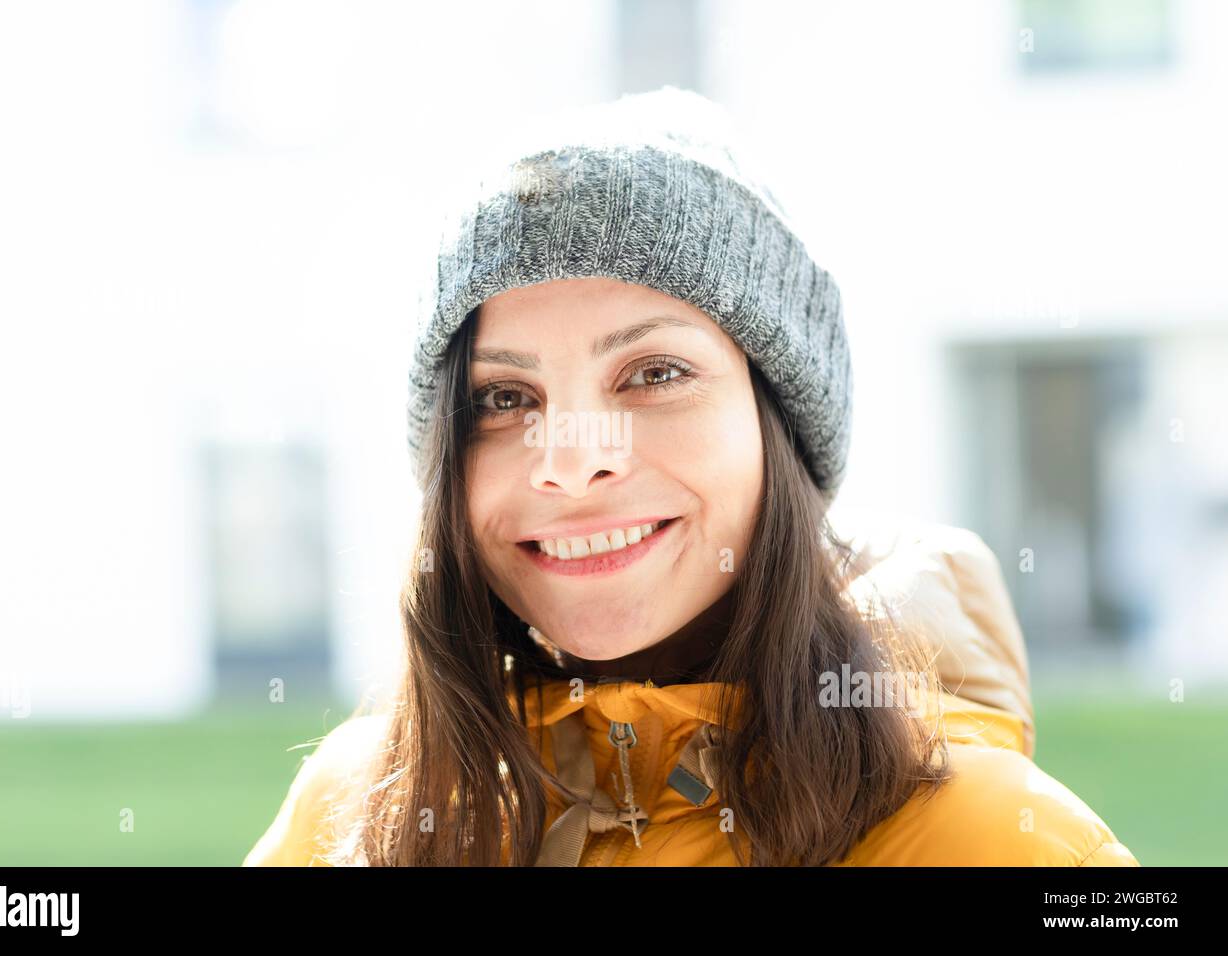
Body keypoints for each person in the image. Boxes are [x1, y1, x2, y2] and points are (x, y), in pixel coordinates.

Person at [243, 86, 1139, 867]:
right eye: (505, 397)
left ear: (775, 422)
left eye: (654, 374)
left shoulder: (998, 844)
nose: (571, 460)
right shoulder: (356, 820)